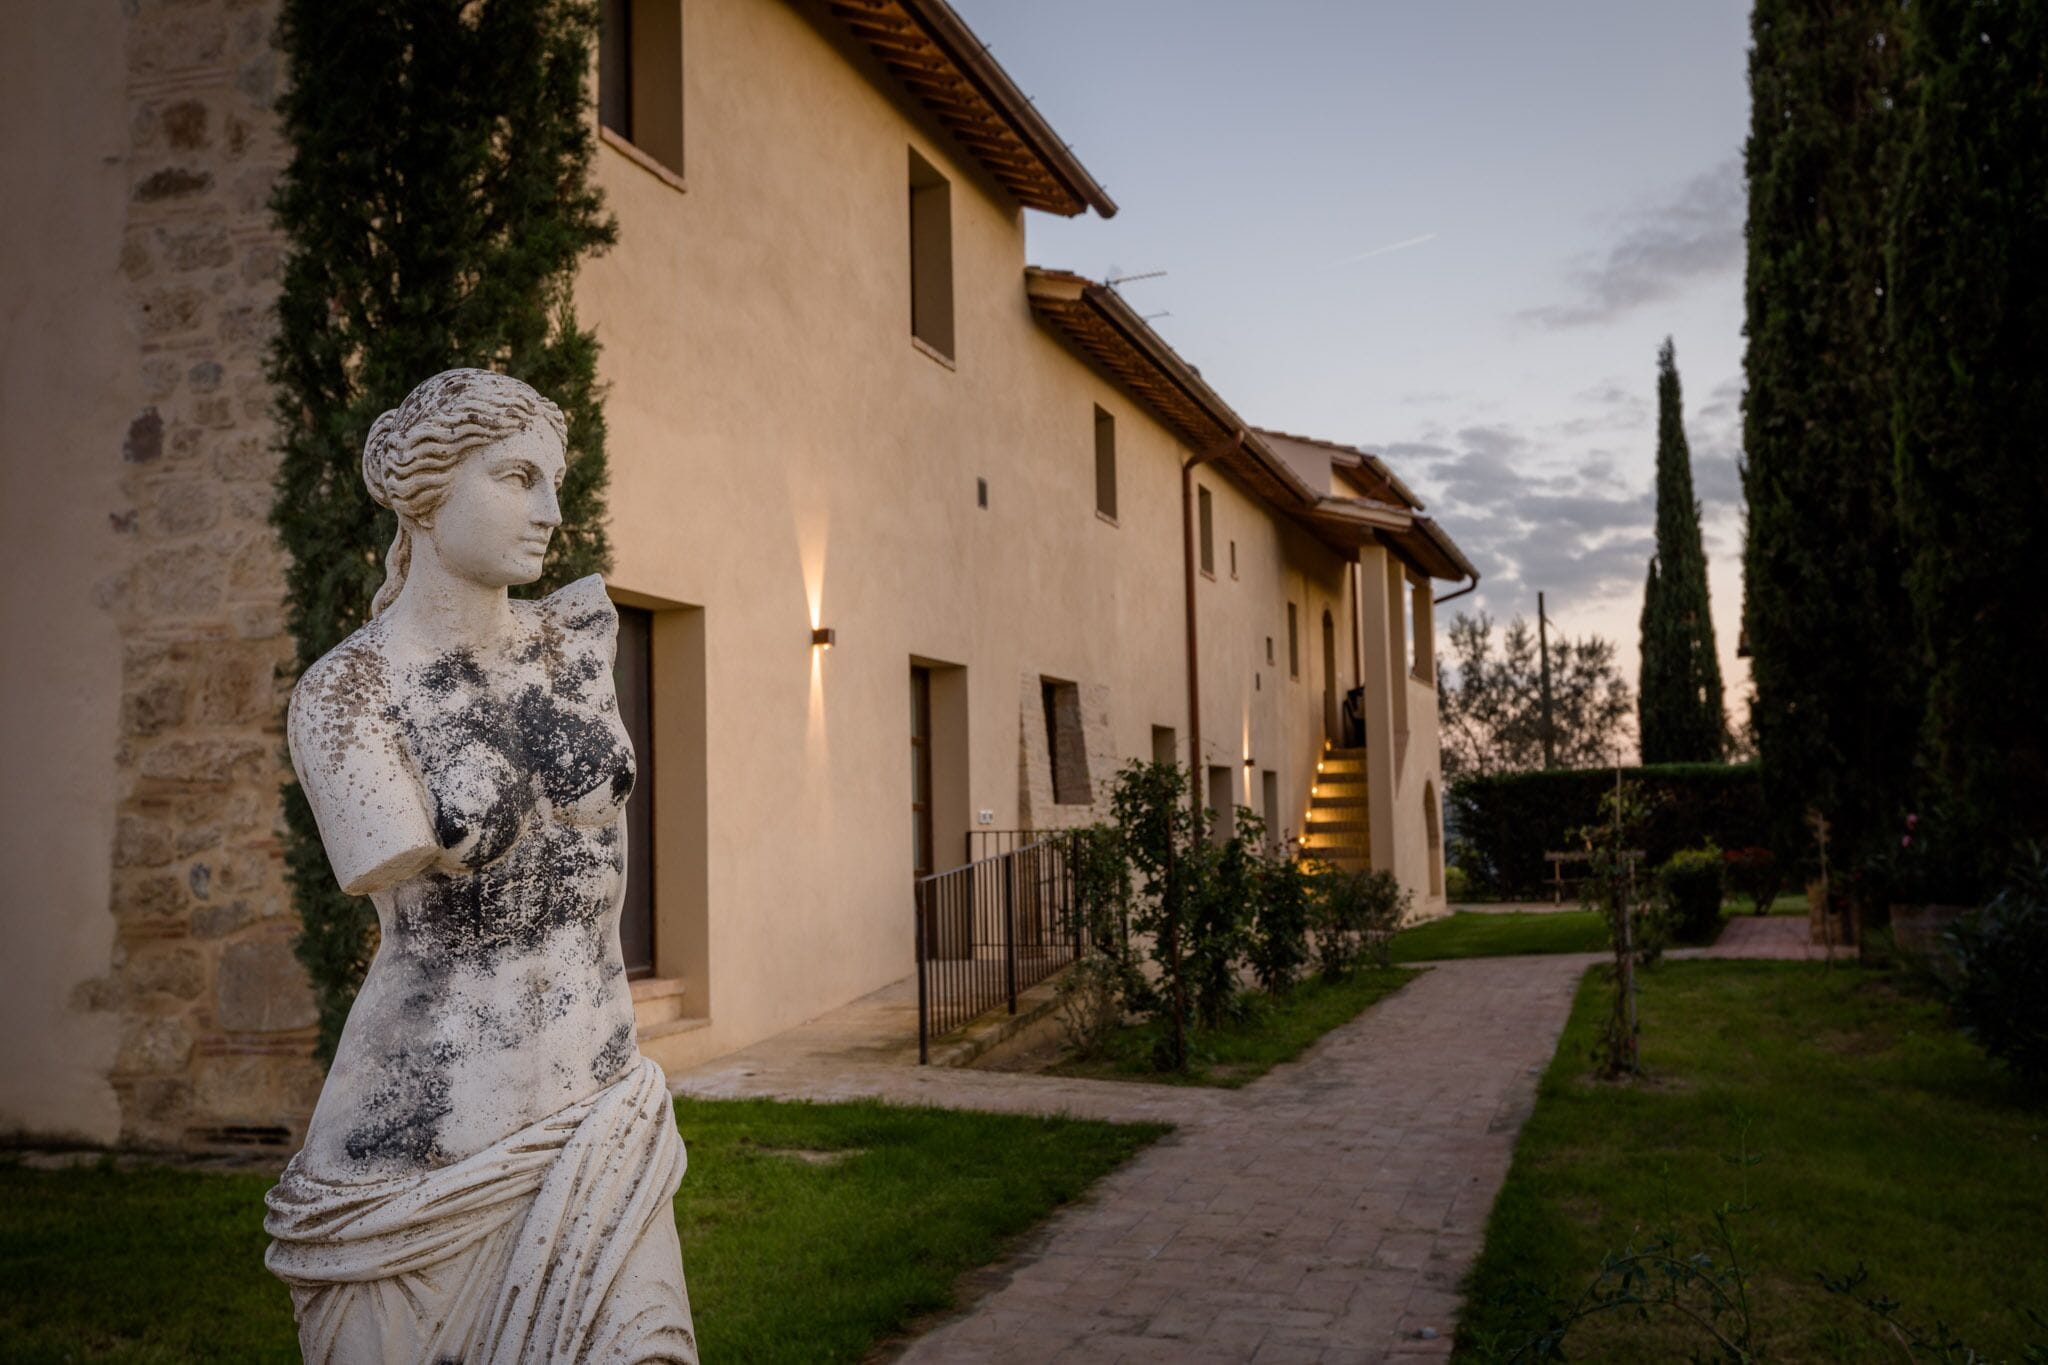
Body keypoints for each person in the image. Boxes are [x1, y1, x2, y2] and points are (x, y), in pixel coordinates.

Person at [264, 369, 696, 1363]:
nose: (551, 513)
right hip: (422, 1145)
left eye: (554, 482)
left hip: (599, 1111)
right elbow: (382, 852)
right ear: (425, 493)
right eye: (515, 478)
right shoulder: (351, 693)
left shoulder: (575, 644)